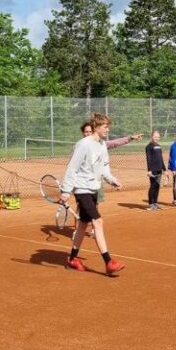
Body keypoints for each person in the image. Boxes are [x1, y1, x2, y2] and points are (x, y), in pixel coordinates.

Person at [60, 113, 125, 276]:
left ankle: (73, 258)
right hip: (82, 189)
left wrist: (112, 180)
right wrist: (66, 190)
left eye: (108, 127)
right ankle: (108, 262)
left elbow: (104, 168)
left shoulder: (102, 145)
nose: (108, 130)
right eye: (105, 127)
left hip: (93, 188)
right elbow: (72, 168)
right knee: (98, 221)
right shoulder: (83, 144)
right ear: (96, 127)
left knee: (82, 224)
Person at [145, 130, 166, 210]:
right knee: (153, 186)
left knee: (157, 186)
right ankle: (151, 204)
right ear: (151, 137)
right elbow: (148, 159)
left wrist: (164, 169)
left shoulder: (159, 146)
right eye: (155, 137)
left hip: (159, 169)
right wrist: (149, 170)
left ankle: (155, 203)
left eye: (158, 137)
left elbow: (161, 159)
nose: (157, 138)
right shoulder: (149, 146)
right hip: (153, 170)